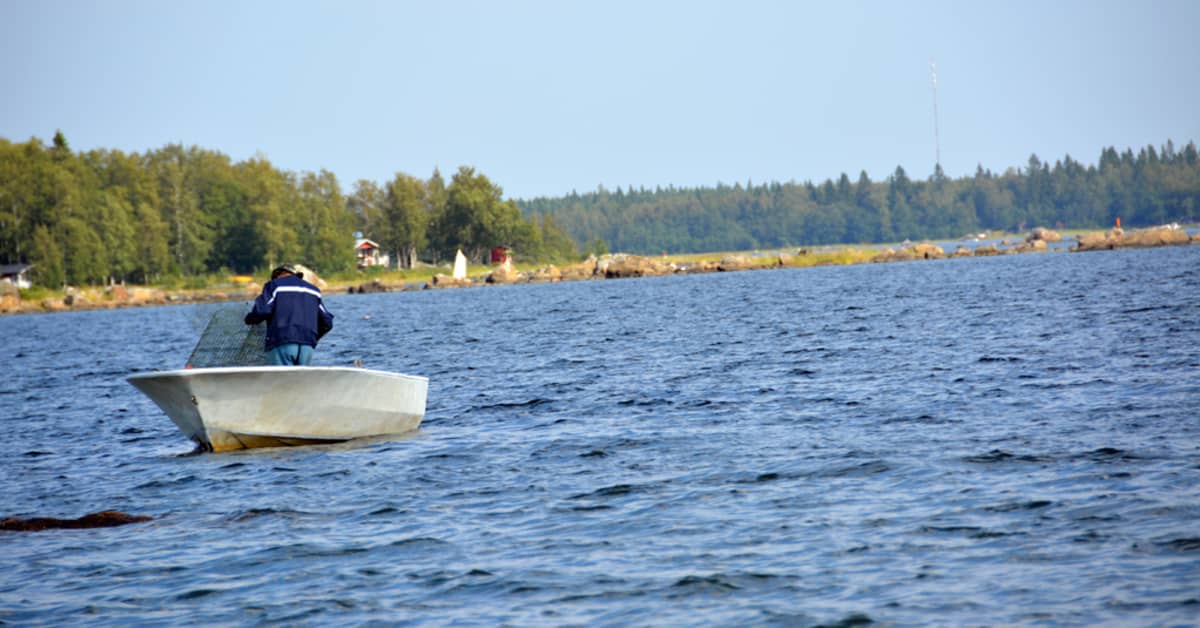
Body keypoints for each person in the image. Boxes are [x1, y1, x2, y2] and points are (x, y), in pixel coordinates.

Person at [244, 264, 334, 366]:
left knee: (282, 380)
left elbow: (262, 311)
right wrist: (314, 337)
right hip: (307, 344)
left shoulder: (274, 285)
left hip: (282, 341)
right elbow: (328, 322)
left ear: (277, 275)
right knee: (300, 379)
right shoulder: (314, 290)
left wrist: (249, 319)